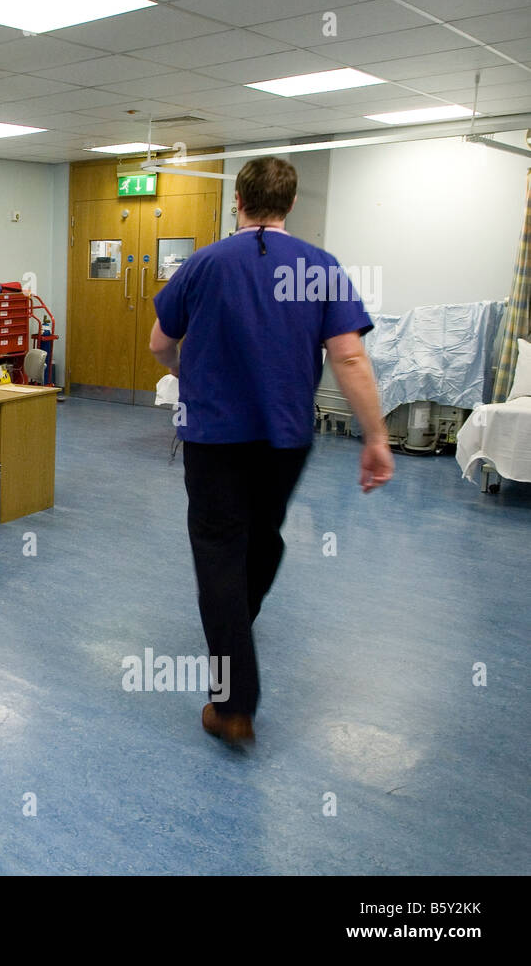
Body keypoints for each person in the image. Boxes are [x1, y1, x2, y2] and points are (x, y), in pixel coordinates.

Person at [149, 156, 394, 747]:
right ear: (289, 204)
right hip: (285, 438)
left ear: (238, 199)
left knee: (218, 552)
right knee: (263, 537)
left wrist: (189, 373)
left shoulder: (203, 264)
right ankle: (237, 624)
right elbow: (350, 357)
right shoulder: (321, 267)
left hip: (214, 438)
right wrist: (377, 437)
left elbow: (160, 343)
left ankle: (233, 706)